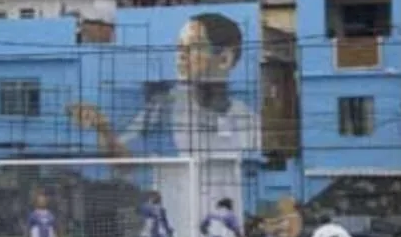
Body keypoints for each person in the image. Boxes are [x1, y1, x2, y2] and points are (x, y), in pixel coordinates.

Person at [69, 13, 259, 216]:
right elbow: (123, 163)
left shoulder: (247, 119)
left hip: (222, 225)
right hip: (174, 224)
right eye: (179, 47)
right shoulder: (164, 107)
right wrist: (103, 128)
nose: (181, 55)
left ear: (224, 59)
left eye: (193, 47)